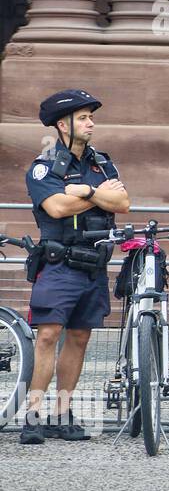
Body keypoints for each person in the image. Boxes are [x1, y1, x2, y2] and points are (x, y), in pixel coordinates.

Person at [21, 90, 130, 444]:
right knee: (49, 335)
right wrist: (97, 193)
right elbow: (55, 208)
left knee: (79, 338)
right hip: (59, 263)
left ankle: (62, 412)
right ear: (62, 124)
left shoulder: (102, 163)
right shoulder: (44, 165)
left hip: (93, 264)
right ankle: (34, 414)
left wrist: (82, 190)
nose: (90, 123)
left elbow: (123, 201)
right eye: (82, 117)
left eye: (90, 117)